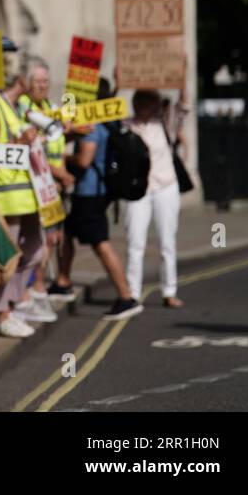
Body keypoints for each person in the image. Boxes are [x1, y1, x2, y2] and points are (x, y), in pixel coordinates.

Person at [57, 77, 142, 319]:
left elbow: (84, 160)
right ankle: (63, 281)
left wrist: (62, 158)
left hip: (89, 191)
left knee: (99, 242)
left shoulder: (91, 123)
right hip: (98, 190)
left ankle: (126, 297)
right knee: (69, 233)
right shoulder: (107, 118)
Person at [0, 58, 44, 339]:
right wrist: (19, 144)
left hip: (27, 196)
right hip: (6, 195)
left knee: (36, 250)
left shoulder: (20, 108)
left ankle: (11, 303)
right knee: (7, 257)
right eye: (38, 81)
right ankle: (1, 311)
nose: (43, 87)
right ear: (23, 80)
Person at [125, 87, 188, 308]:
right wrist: (116, 82)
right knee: (135, 242)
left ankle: (169, 291)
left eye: (148, 100)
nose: (143, 105)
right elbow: (106, 114)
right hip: (138, 189)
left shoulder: (164, 124)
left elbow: (183, 106)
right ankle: (132, 292)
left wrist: (182, 77)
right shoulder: (127, 126)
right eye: (139, 100)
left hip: (165, 186)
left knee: (167, 241)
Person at [19, 59, 73, 315]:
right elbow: (34, 151)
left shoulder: (52, 108)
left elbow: (57, 144)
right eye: (37, 82)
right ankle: (32, 289)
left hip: (53, 186)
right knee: (38, 239)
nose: (42, 86)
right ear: (28, 84)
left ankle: (38, 287)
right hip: (38, 183)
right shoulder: (25, 109)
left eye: (45, 82)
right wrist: (60, 174)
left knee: (52, 239)